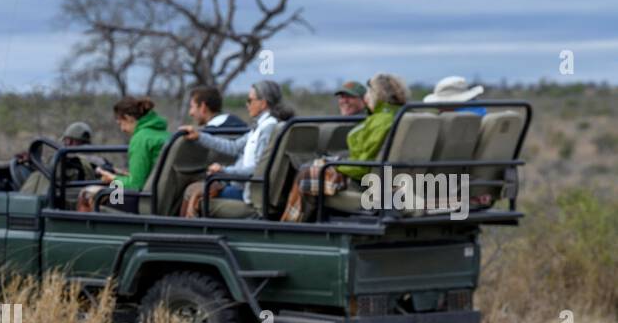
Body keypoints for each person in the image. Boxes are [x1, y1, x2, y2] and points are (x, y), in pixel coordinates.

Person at [281, 72, 408, 222]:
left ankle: (290, 224)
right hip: (384, 180)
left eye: (369, 93)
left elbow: (359, 167)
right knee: (313, 169)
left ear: (377, 94)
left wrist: (333, 164)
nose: (367, 97)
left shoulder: (380, 121)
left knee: (307, 174)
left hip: (364, 182)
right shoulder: (400, 115)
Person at [177, 79, 293, 217]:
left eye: (250, 100)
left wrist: (224, 171)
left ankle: (184, 234)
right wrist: (200, 136)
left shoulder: (268, 129)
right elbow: (233, 147)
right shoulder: (261, 126)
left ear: (263, 103)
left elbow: (257, 169)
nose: (246, 104)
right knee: (197, 189)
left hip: (246, 191)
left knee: (192, 190)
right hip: (243, 185)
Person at [76, 96, 169, 211]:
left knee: (86, 195)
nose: (122, 129)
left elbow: (135, 184)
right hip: (160, 196)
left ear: (128, 118)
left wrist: (113, 178)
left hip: (144, 200)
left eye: (120, 123)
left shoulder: (141, 139)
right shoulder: (166, 135)